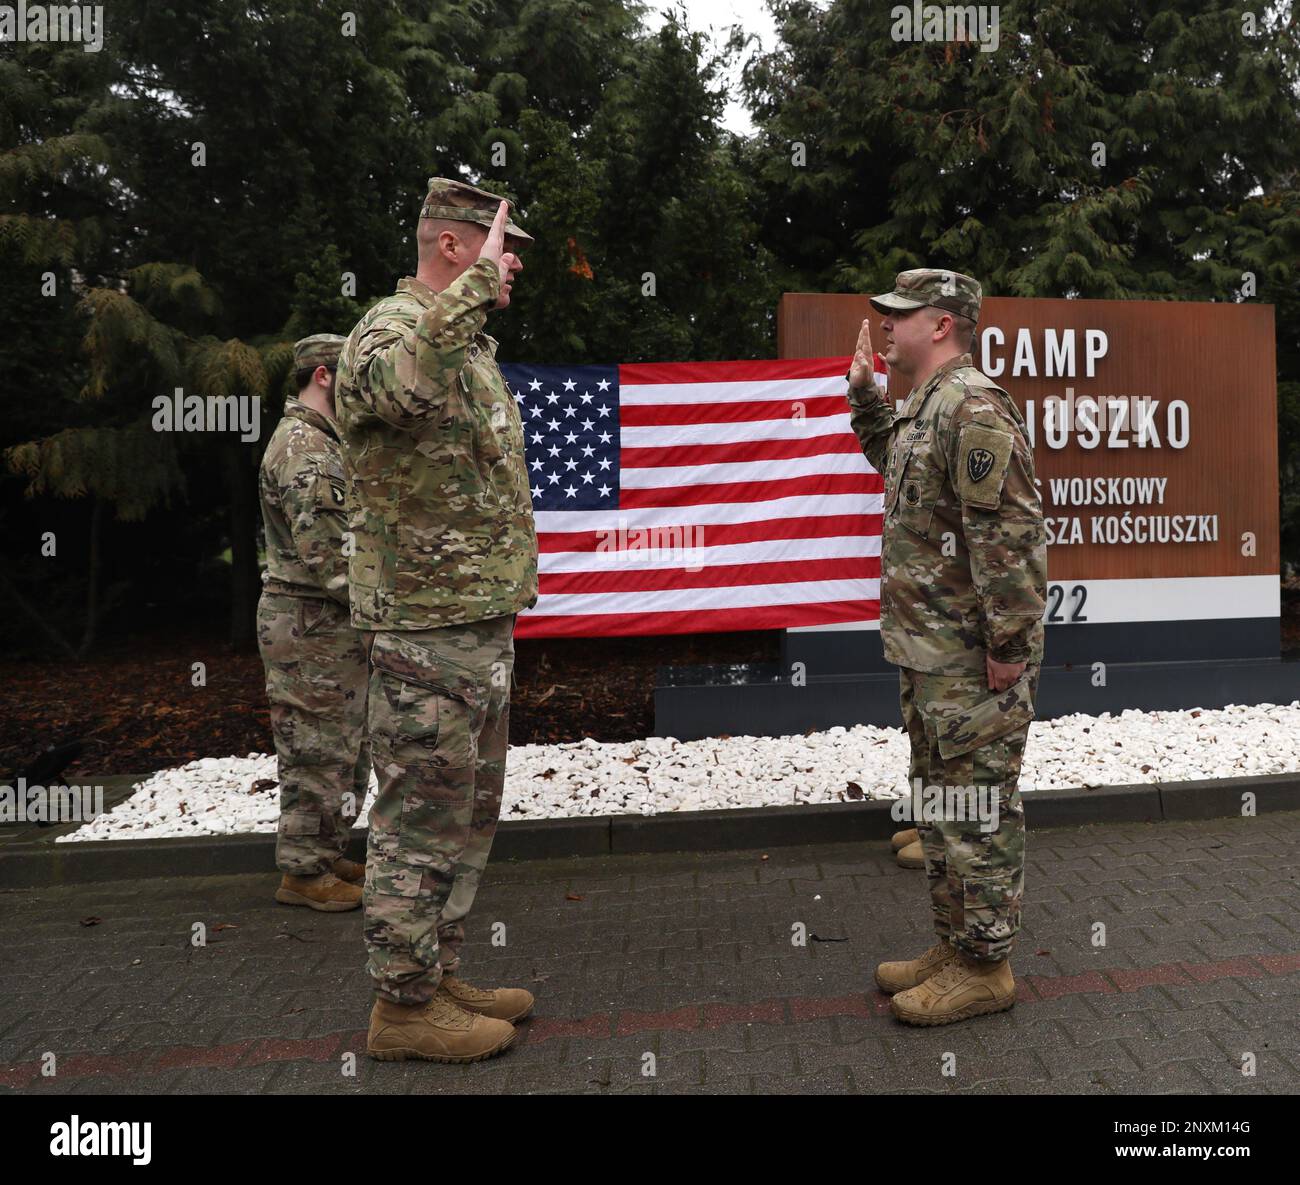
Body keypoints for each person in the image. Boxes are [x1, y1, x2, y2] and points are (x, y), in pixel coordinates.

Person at [335, 178, 538, 1063]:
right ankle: (403, 1004)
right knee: (418, 815)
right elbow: (402, 392)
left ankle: (438, 971)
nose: (514, 262)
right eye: (501, 246)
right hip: (422, 629)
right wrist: (467, 297)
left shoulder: (470, 346)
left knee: (465, 812)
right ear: (453, 247)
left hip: (473, 623)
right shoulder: (387, 330)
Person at [845, 269, 1047, 1025]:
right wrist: (866, 396)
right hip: (930, 654)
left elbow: (1012, 537)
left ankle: (987, 965)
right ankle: (955, 944)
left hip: (969, 658)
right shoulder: (925, 408)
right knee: (940, 806)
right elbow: (894, 469)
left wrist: (1008, 645)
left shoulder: (973, 404)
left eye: (900, 315)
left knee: (980, 812)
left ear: (941, 325)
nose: (886, 325)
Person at [257, 334, 369, 912]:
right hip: (312, 619)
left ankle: (325, 851)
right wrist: (383, 610)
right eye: (354, 373)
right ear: (325, 375)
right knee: (316, 747)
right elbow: (328, 552)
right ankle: (303, 872)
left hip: (325, 620)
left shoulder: (325, 441)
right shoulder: (305, 447)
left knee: (345, 744)